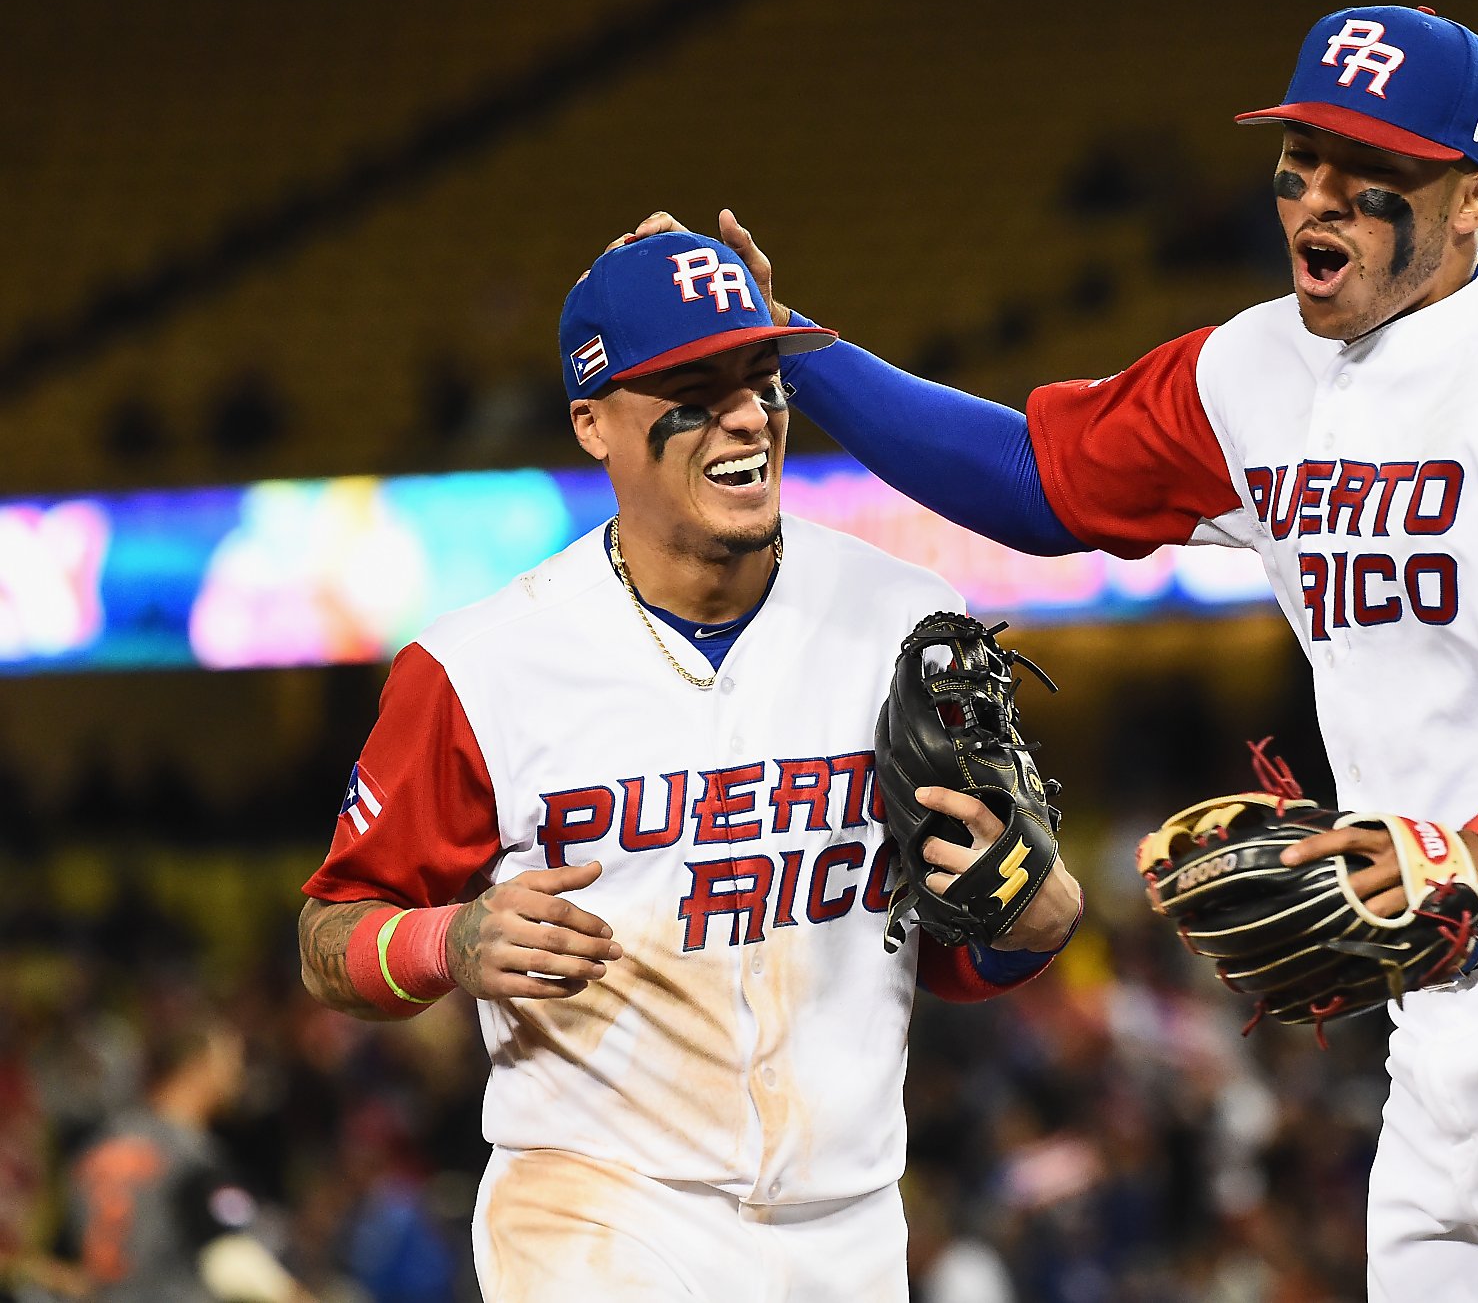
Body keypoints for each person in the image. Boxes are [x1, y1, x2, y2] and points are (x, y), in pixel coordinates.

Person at [618, 1, 1478, 1302]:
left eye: (1371, 172)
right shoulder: (1252, 370)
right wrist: (790, 346)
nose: (1319, 199)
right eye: (1301, 160)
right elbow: (1031, 478)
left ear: (1477, 196)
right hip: (1436, 1024)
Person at [295, 230, 1083, 1303]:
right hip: (594, 1212)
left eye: (760, 379)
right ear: (593, 422)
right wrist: (451, 939)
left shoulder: (904, 620)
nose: (747, 416)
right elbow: (329, 940)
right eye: (695, 392)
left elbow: (950, 949)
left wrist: (1030, 923)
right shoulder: (478, 666)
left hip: (847, 1223)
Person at [60, 1010, 310, 1303]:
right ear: (197, 1066)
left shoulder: (98, 1144)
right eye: (227, 1061)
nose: (236, 1074)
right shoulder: (191, 1156)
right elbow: (233, 1258)